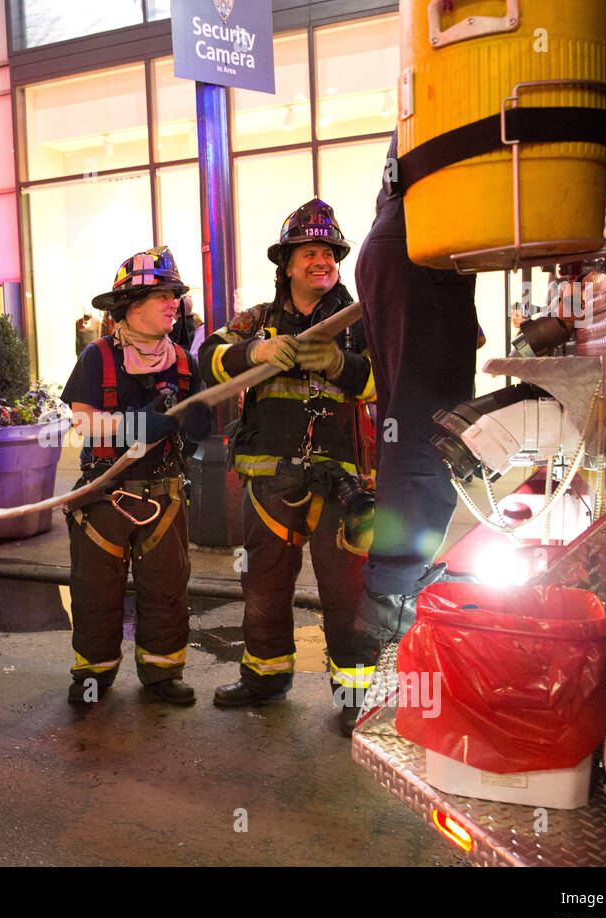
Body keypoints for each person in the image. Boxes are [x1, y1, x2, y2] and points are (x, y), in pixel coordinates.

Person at [198, 199, 376, 732]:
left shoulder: (360, 323)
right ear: (287, 264)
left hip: (344, 482)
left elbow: (388, 383)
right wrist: (251, 353)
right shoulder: (257, 321)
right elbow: (207, 358)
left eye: (329, 252)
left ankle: (355, 696)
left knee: (347, 592)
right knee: (265, 586)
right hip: (270, 476)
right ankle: (265, 677)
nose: (321, 260)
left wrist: (345, 366)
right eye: (309, 253)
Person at [349, 133, 480, 668]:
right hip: (419, 236)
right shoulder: (454, 100)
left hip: (415, 237)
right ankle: (398, 591)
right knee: (424, 419)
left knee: (422, 415)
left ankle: (400, 580)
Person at [60, 247, 205, 707]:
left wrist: (201, 424)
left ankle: (162, 676)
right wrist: (139, 425)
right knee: (95, 592)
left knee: (167, 590)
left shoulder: (182, 360)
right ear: (133, 305)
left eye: (175, 296)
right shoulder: (97, 358)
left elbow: (198, 420)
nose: (173, 304)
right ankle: (93, 676)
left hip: (164, 496)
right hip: (105, 496)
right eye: (163, 295)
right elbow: (81, 422)